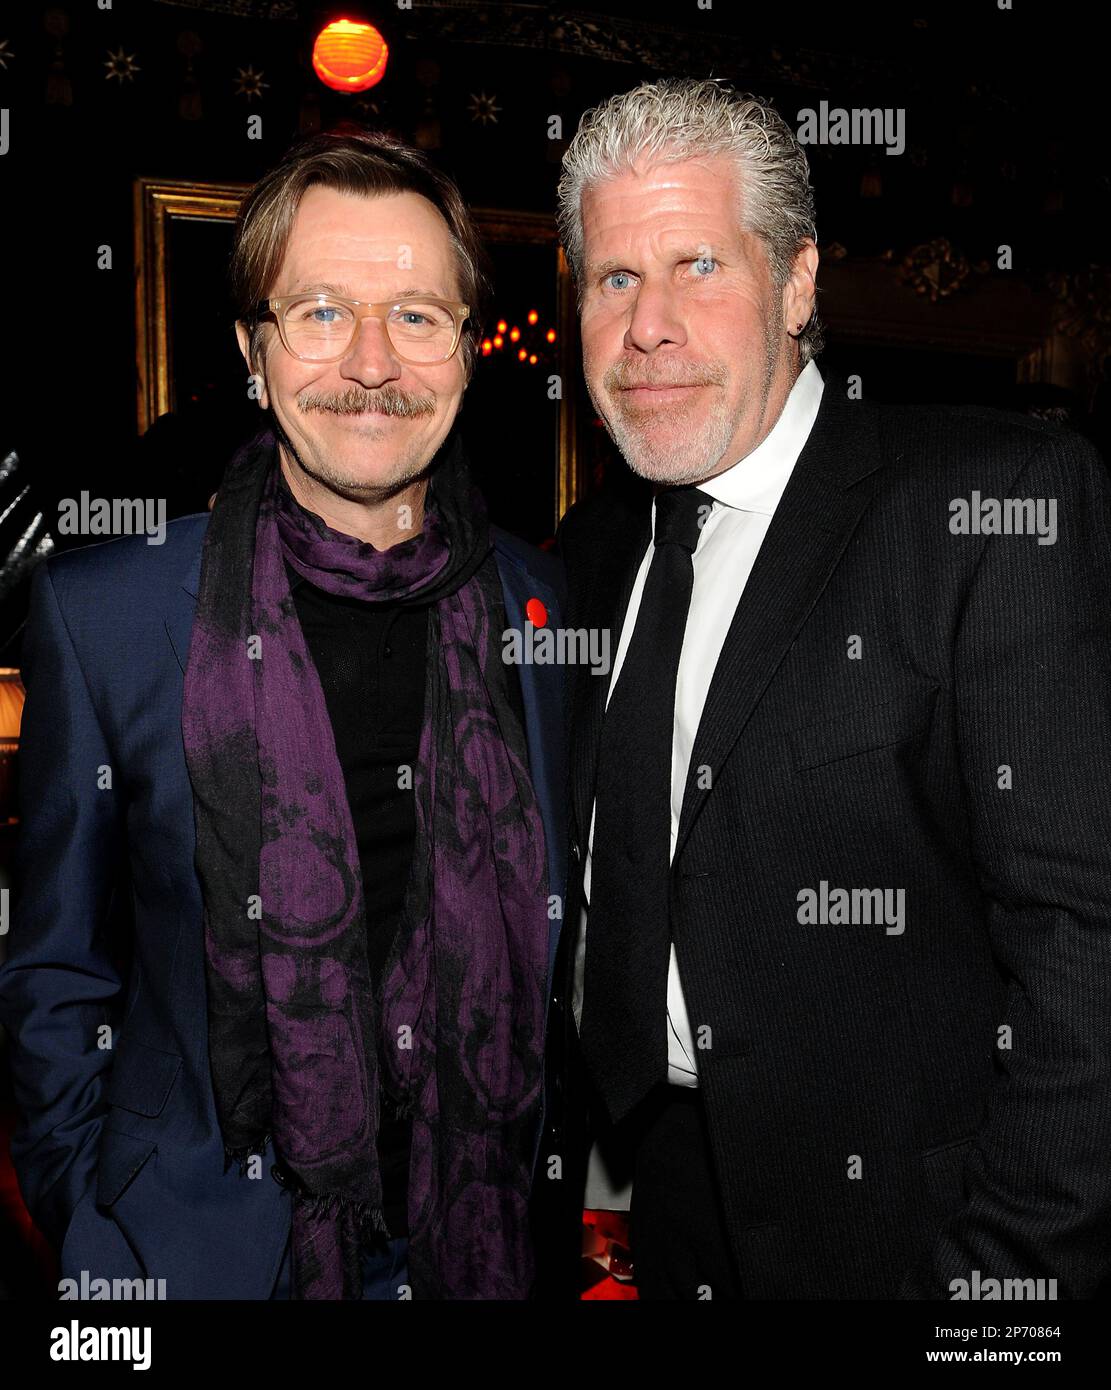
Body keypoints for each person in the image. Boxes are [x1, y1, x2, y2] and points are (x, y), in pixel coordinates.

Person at [535, 76, 1111, 1300]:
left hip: (921, 1232)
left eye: (697, 264)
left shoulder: (992, 507)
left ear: (797, 285)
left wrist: (1006, 1286)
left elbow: (1084, 950)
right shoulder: (586, 555)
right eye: (612, 279)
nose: (648, 327)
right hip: (670, 1199)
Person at [0, 126, 567, 1300]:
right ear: (254, 354)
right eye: (318, 312)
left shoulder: (546, 607)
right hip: (196, 1258)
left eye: (416, 315)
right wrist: (97, 1238)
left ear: (468, 352)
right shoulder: (105, 615)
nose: (372, 362)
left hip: (486, 1252)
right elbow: (56, 976)